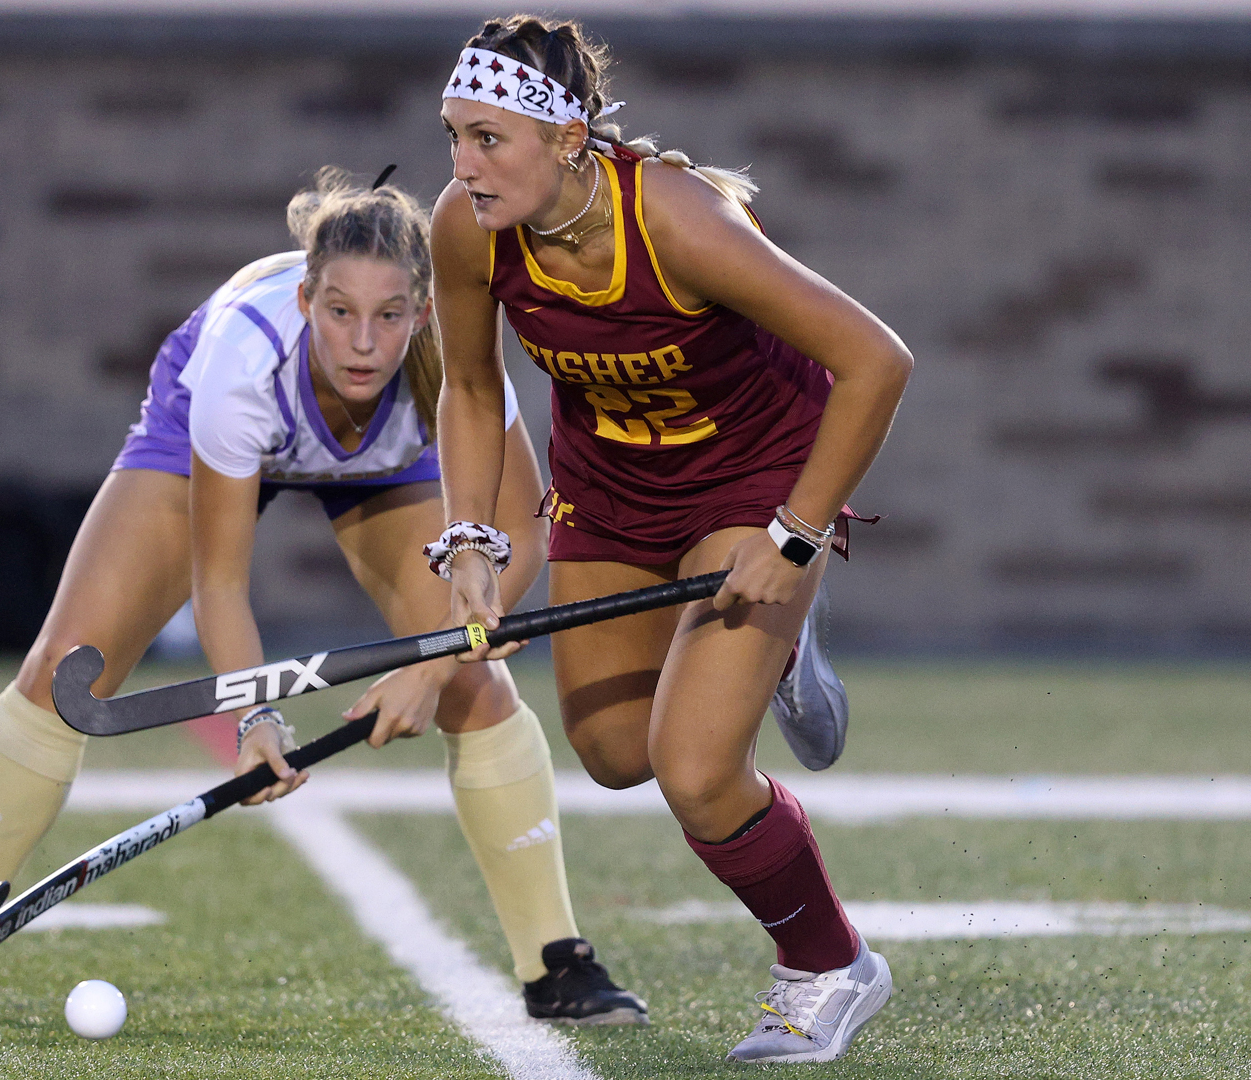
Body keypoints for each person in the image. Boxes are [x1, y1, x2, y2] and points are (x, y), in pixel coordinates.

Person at [0, 168, 647, 1026]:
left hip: (394, 463)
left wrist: (432, 672)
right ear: (305, 303)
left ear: (424, 314)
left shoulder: (456, 364)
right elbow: (219, 581)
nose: (363, 342)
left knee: (479, 685)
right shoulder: (244, 363)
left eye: (389, 316)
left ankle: (558, 964)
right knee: (67, 664)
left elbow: (524, 537)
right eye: (339, 312)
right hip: (205, 429)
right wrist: (255, 723)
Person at [430, 16, 914, 1065]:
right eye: (453, 137)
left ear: (566, 141)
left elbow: (877, 360)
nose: (464, 167)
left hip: (755, 483)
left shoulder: (678, 219)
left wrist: (793, 535)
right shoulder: (468, 227)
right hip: (610, 493)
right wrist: (470, 545)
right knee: (611, 756)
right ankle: (765, 659)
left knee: (692, 769)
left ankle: (829, 967)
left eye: (487, 139)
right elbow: (470, 386)